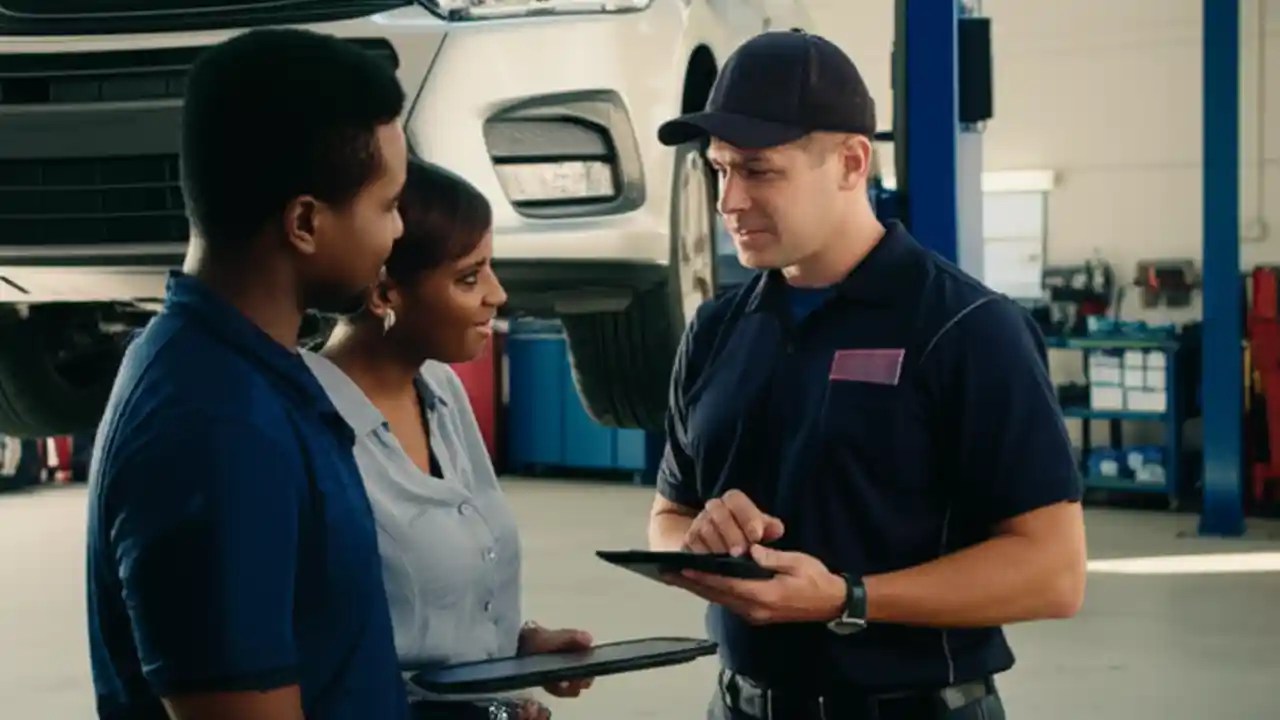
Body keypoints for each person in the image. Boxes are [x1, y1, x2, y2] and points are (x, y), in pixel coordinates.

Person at [646, 30, 1087, 720]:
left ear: (851, 162)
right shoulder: (716, 331)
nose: (728, 201)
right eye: (718, 169)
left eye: (759, 170)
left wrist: (847, 597)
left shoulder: (965, 330)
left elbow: (1053, 573)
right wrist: (702, 546)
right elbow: (667, 517)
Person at [85, 28, 410, 720]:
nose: (399, 232)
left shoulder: (252, 377)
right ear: (304, 222)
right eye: (387, 206)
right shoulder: (216, 428)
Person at [303, 158, 595, 720]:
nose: (497, 295)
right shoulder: (306, 424)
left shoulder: (440, 389)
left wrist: (513, 653)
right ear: (386, 294)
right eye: (469, 277)